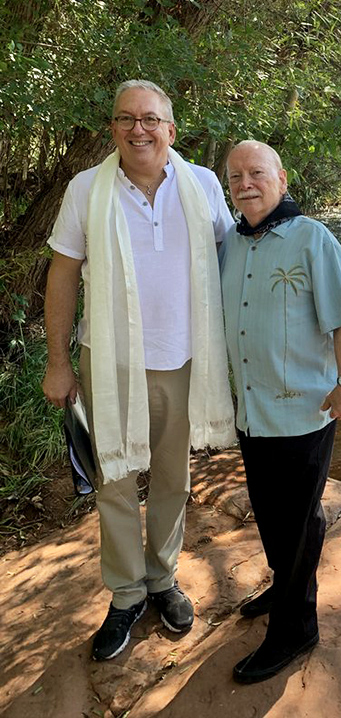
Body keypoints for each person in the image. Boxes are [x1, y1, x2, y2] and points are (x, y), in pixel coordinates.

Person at [42, 79, 235, 661]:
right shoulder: (86, 189)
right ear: (113, 129)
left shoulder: (202, 185)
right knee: (115, 482)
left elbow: (234, 252)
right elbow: (63, 274)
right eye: (126, 119)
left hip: (184, 358)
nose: (139, 129)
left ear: (170, 129)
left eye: (150, 119)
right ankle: (125, 594)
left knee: (174, 478)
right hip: (109, 360)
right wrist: (57, 363)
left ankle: (162, 579)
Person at [221, 140, 341, 684]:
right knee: (272, 512)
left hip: (304, 410)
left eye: (256, 173)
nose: (246, 184)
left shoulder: (313, 239)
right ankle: (284, 586)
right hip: (253, 411)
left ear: (281, 178)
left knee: (298, 522)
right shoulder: (231, 245)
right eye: (236, 177)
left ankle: (296, 627)